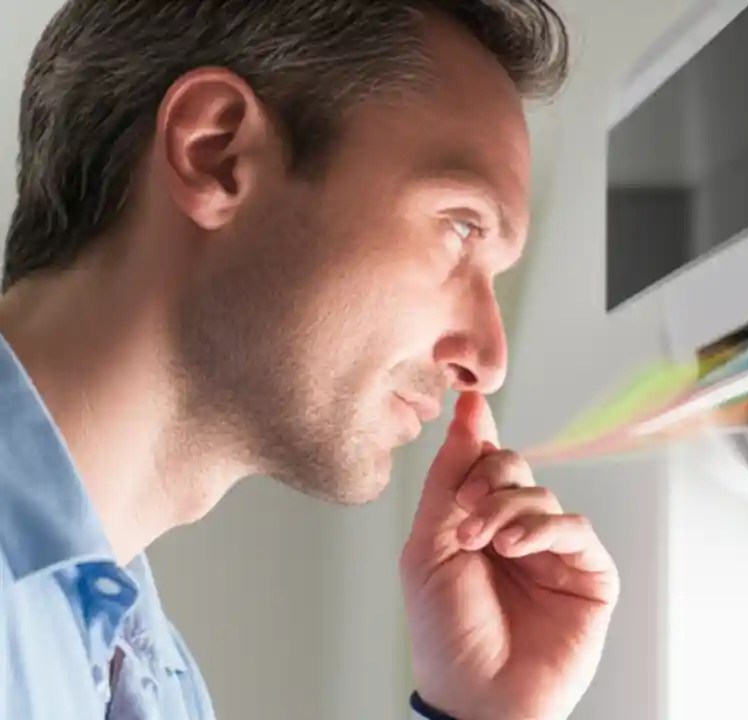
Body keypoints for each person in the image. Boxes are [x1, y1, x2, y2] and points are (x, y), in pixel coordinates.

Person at [0, 1, 619, 719]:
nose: (488, 359)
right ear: (217, 153)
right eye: (459, 226)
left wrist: (482, 711)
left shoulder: (149, 676)